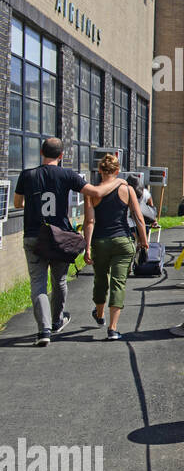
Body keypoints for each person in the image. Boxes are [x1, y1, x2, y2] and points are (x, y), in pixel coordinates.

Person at [14, 137, 126, 346]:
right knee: (59, 281)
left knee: (38, 284)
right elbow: (97, 192)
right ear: (61, 155)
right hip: (59, 237)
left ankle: (43, 330)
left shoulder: (27, 175)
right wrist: (118, 180)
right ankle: (57, 321)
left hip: (33, 235)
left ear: (41, 153)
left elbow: (18, 203)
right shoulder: (67, 175)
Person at [83, 154, 150, 341]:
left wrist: (87, 247)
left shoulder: (91, 192)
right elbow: (139, 217)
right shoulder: (127, 189)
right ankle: (113, 328)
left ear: (99, 171)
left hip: (100, 242)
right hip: (122, 241)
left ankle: (100, 314)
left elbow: (89, 221)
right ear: (117, 171)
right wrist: (143, 241)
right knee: (118, 283)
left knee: (100, 279)